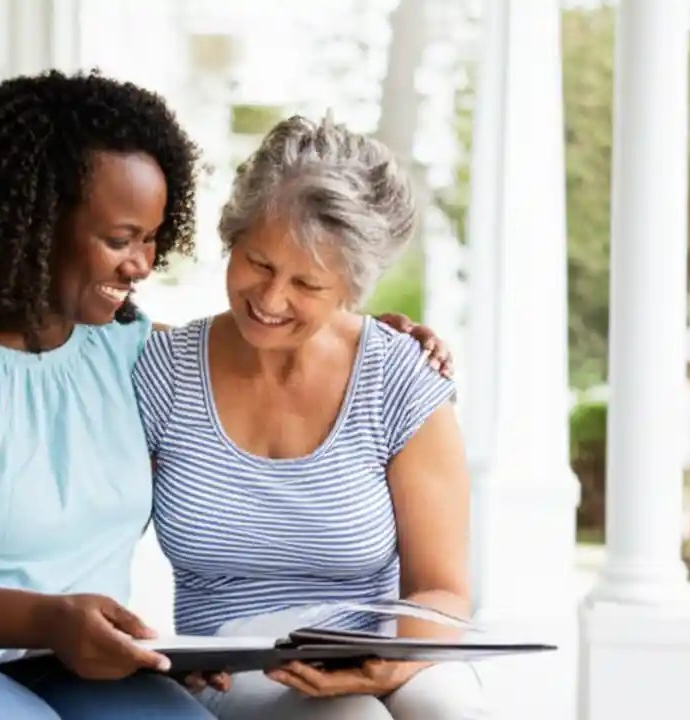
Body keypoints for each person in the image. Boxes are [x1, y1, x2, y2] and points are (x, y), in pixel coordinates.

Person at [0, 72, 452, 720]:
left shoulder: (125, 348)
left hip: (56, 660)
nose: (141, 264)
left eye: (151, 238)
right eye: (118, 239)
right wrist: (49, 619)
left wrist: (373, 338)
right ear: (35, 223)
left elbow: (251, 347)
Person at [134, 115, 485, 719]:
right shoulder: (164, 373)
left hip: (382, 648)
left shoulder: (400, 377)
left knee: (447, 712)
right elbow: (89, 541)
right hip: (230, 667)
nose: (270, 300)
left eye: (307, 284)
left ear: (351, 286)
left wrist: (393, 661)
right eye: (259, 263)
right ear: (232, 237)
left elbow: (444, 590)